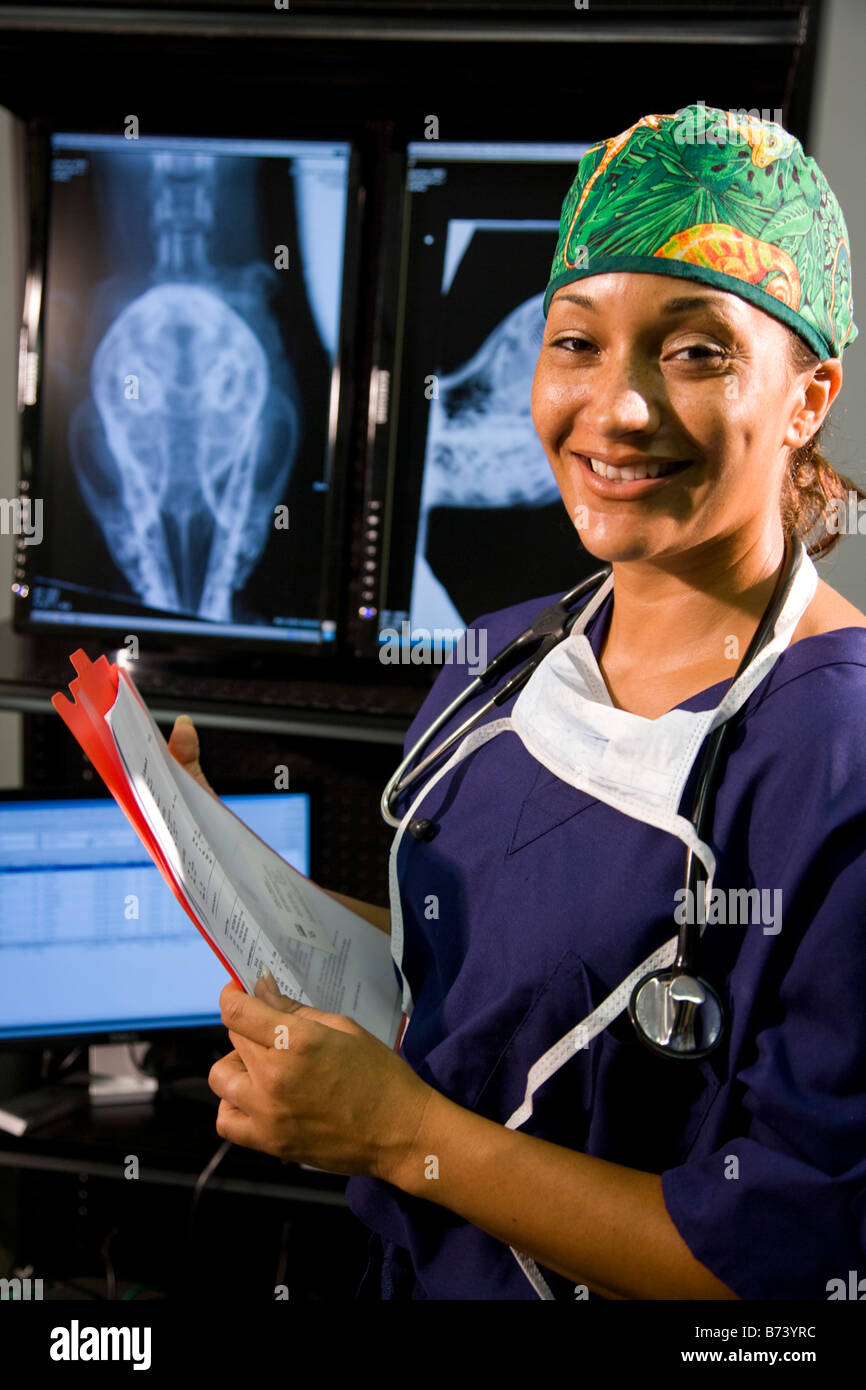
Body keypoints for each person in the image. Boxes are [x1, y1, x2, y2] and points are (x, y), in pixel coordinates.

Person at [168, 105, 866, 1300]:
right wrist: (219, 867)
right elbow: (497, 966)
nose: (618, 407)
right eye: (575, 343)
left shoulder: (831, 754)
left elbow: (773, 1263)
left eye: (694, 351)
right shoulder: (502, 660)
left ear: (805, 396)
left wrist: (396, 1137)